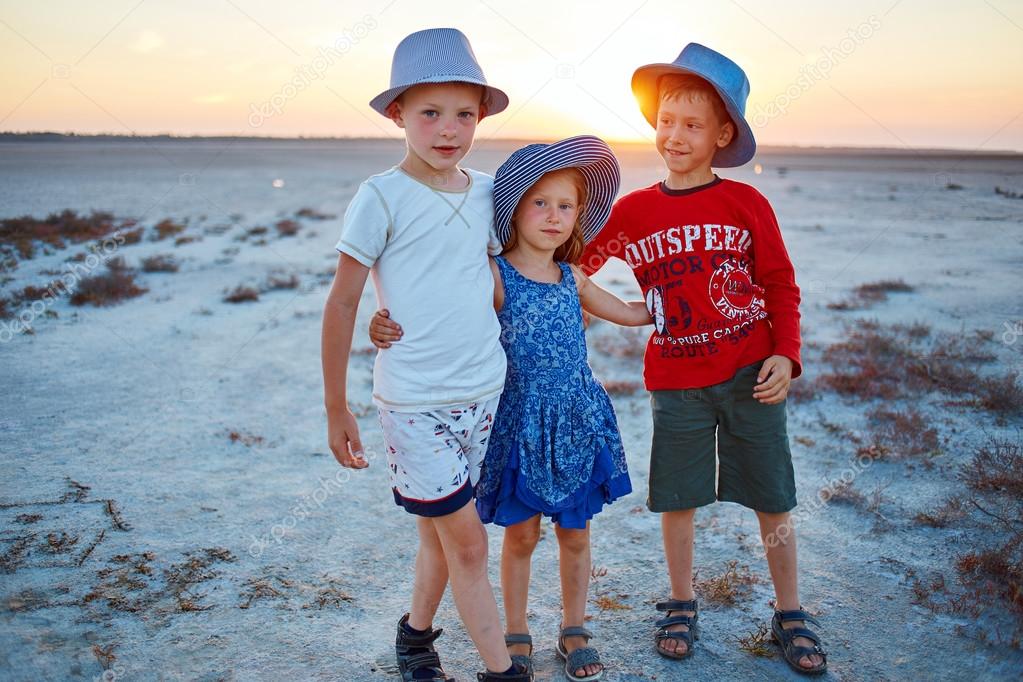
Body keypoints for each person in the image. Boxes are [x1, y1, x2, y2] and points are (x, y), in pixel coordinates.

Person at [581, 43, 827, 675]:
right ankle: (682, 601)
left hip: (751, 373)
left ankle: (790, 610)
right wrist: (618, 313)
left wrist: (787, 353)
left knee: (773, 494)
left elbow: (780, 283)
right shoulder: (634, 211)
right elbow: (572, 270)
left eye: (692, 124)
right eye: (666, 120)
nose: (675, 135)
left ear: (722, 134)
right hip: (676, 381)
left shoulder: (746, 204)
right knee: (678, 497)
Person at [370, 136, 650, 681]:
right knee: (521, 535)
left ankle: (574, 630)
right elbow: (439, 306)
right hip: (518, 423)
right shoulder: (496, 276)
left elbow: (623, 310)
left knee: (576, 532)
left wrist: (670, 311)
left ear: (578, 218)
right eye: (539, 203)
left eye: (565, 206)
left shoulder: (574, 276)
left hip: (574, 419)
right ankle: (515, 632)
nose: (552, 216)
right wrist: (383, 321)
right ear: (514, 209)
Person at [321, 27, 530, 682]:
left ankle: (414, 640)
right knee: (467, 544)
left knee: (439, 538)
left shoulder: (487, 192)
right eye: (430, 113)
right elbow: (343, 303)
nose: (449, 129)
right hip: (414, 402)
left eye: (464, 113)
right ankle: (503, 672)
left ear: (481, 116)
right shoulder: (379, 196)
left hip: (482, 394)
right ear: (397, 115)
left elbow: (495, 281)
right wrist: (336, 407)